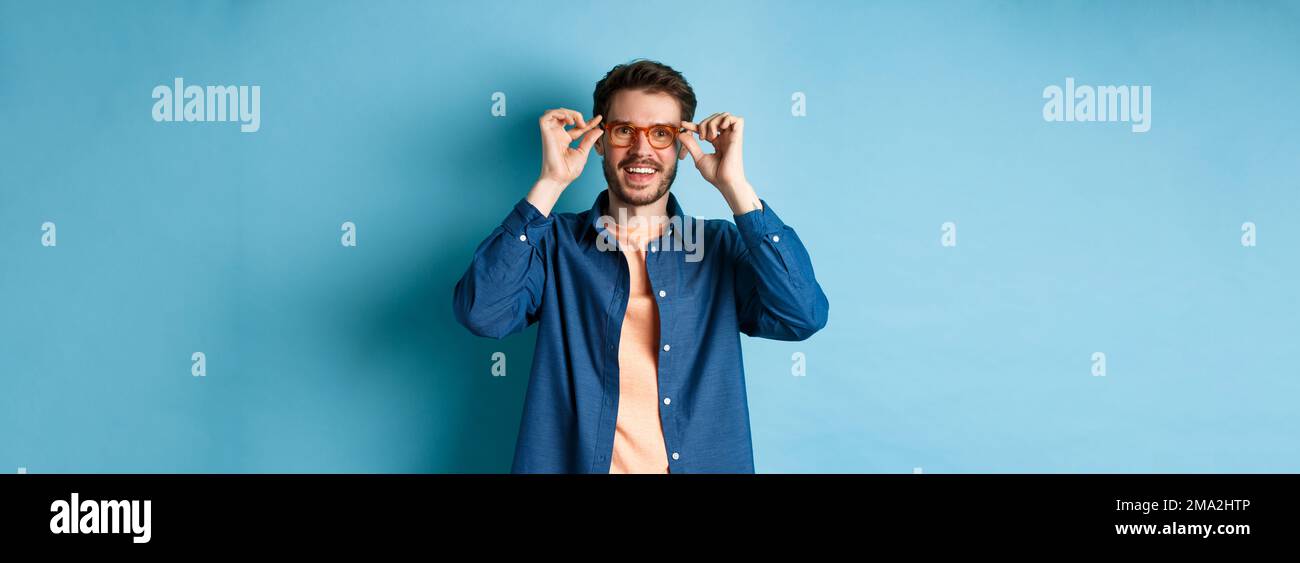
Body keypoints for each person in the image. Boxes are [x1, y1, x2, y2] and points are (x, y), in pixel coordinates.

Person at [453, 59, 829, 473]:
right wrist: (550, 184)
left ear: (683, 146)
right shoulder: (554, 244)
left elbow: (802, 315)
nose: (641, 149)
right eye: (624, 130)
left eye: (661, 134)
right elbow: (483, 313)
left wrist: (736, 189)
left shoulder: (719, 246)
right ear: (599, 140)